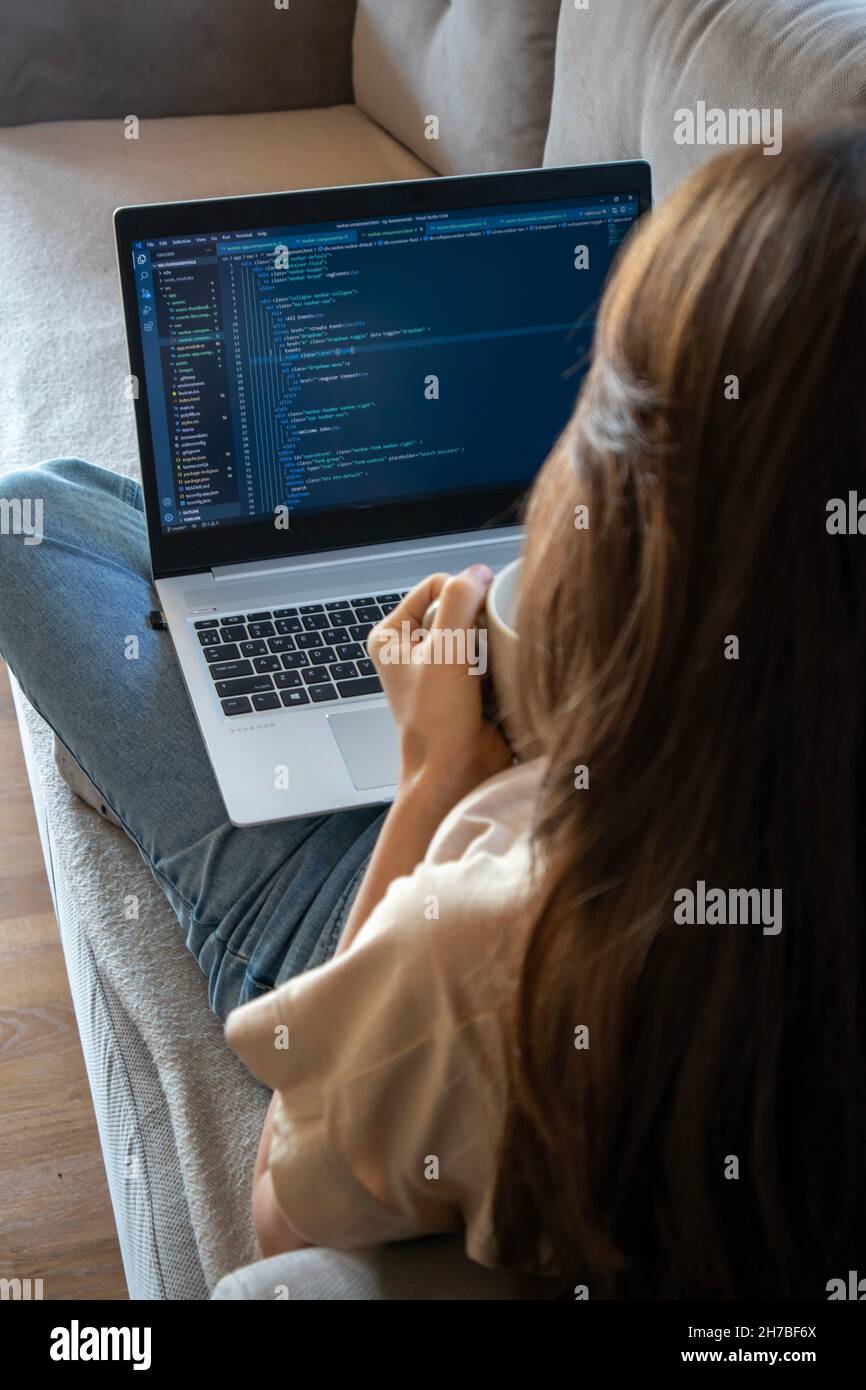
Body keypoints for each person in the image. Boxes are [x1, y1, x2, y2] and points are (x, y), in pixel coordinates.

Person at [1, 116, 864, 1298]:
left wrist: (430, 776)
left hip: (392, 876)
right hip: (569, 768)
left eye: (597, 398)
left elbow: (279, 1220)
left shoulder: (488, 946)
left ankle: (240, 781)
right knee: (84, 508)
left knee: (26, 526)